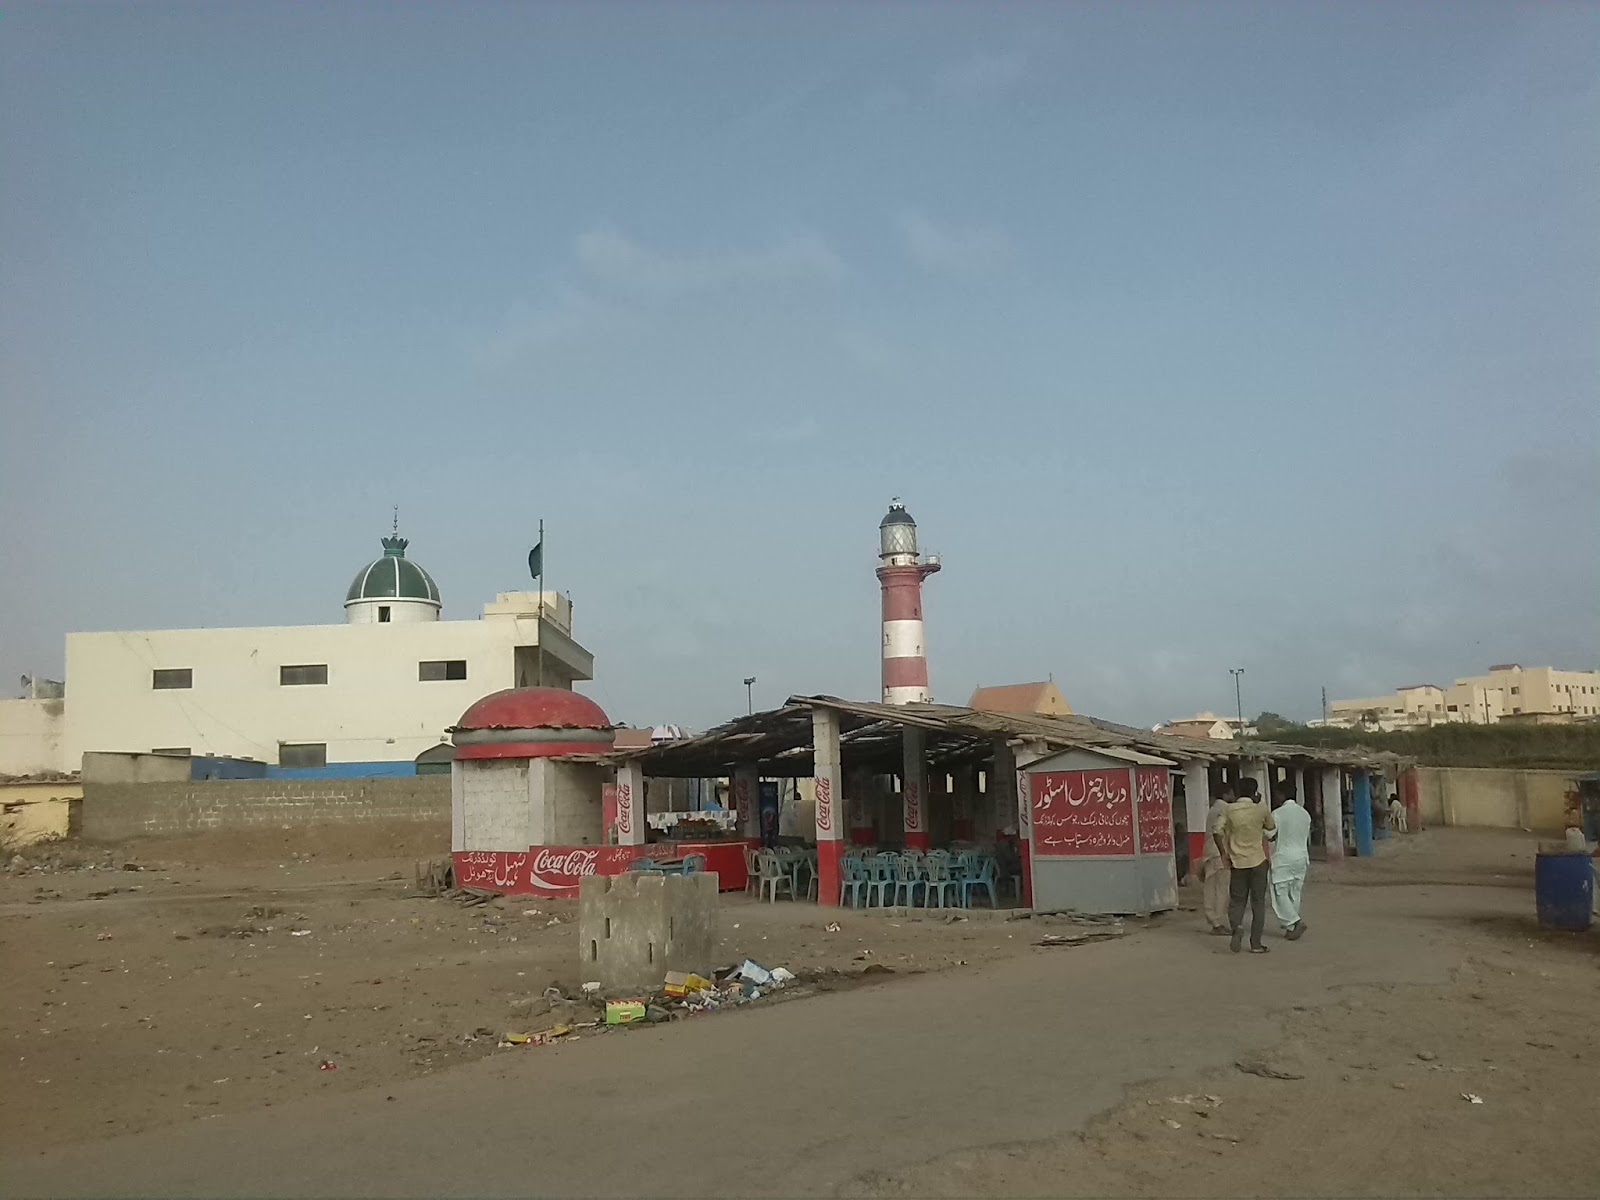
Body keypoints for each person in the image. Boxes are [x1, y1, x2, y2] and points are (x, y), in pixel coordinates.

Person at [1217, 777, 1276, 954]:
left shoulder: (1228, 809)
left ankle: (1237, 928)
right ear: (1255, 791)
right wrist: (1259, 805)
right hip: (1258, 861)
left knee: (1237, 900)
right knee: (1258, 903)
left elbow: (1216, 831)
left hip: (1238, 862)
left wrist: (1224, 854)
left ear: (1237, 791)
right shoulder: (1261, 808)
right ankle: (1256, 944)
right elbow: (1271, 826)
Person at [1270, 786, 1312, 940]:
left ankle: (1295, 921)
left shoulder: (1277, 813)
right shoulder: (1305, 814)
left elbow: (1269, 834)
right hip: (1301, 856)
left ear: (1282, 794)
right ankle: (1291, 927)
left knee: (1280, 891)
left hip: (1283, 857)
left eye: (1277, 794)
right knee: (1295, 891)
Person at [1197, 783, 1235, 935]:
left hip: (1210, 852)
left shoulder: (1213, 809)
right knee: (1221, 889)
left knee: (1210, 887)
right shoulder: (1226, 809)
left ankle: (1213, 920)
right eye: (1232, 793)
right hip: (1220, 852)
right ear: (1226, 795)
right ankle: (1217, 922)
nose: (1233, 796)